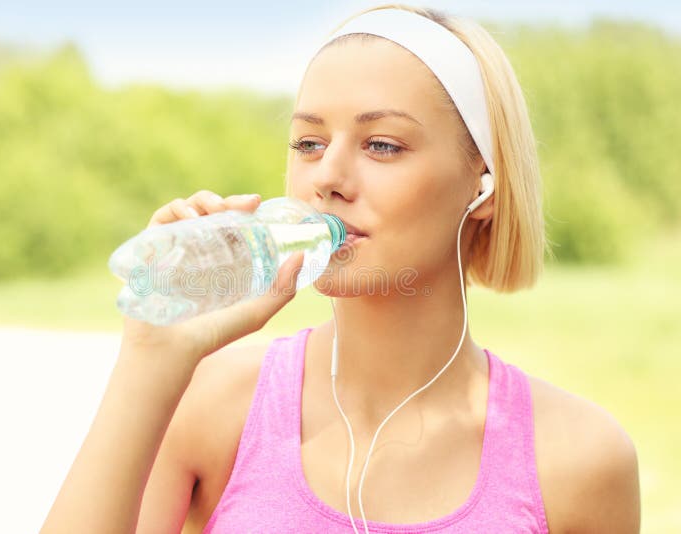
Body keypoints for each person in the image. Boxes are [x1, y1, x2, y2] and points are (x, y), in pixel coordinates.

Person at [41, 4, 640, 533]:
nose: (326, 176)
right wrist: (149, 360)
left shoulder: (578, 459)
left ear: (482, 188)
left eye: (382, 144)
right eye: (308, 143)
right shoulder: (212, 404)